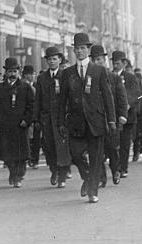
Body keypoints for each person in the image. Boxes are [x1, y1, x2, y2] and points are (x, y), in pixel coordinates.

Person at [60, 33, 116, 203]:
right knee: (75, 154)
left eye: (83, 48)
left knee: (96, 157)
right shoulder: (68, 73)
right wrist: (60, 122)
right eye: (76, 49)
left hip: (96, 121)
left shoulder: (98, 71)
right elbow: (62, 101)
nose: (79, 52)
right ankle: (87, 177)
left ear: (88, 50)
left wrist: (111, 120)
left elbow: (107, 97)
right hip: (76, 123)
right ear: (73, 51)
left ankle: (93, 191)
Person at [0, 58, 34, 187]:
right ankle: (12, 173)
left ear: (19, 71)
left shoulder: (25, 86)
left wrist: (26, 120)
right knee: (8, 153)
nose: (12, 74)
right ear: (6, 72)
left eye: (15, 71)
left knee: (21, 152)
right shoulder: (0, 88)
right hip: (5, 126)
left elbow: (31, 105)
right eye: (10, 71)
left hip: (20, 125)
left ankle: (19, 174)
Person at [34, 46, 71, 187]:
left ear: (60, 60)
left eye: (54, 59)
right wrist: (36, 118)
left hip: (62, 119)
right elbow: (37, 99)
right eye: (49, 59)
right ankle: (54, 170)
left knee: (62, 147)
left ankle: (62, 175)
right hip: (46, 119)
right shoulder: (42, 78)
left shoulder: (65, 75)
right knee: (49, 147)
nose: (52, 62)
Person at [91, 45, 127, 186]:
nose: (97, 62)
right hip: (96, 120)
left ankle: (116, 170)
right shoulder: (90, 78)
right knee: (98, 151)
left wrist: (122, 115)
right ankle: (101, 178)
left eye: (99, 59)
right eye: (94, 60)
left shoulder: (114, 78)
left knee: (112, 148)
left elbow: (122, 98)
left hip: (112, 119)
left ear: (105, 60)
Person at [112, 52, 141, 178]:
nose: (115, 65)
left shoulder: (130, 77)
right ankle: (116, 166)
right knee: (114, 143)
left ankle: (123, 168)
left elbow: (138, 95)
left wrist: (129, 104)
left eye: (117, 63)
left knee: (124, 143)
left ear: (124, 63)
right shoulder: (109, 76)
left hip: (128, 117)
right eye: (113, 63)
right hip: (114, 115)